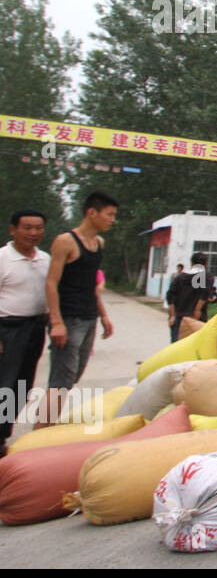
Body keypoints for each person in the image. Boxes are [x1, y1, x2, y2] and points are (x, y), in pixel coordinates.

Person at [44, 191, 117, 422]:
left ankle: (46, 423)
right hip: (68, 319)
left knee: (72, 376)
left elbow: (92, 286)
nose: (112, 220)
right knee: (61, 381)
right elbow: (51, 283)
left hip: (88, 319)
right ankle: (41, 431)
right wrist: (56, 322)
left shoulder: (99, 243)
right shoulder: (65, 241)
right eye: (109, 214)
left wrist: (103, 315)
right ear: (91, 212)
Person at [0, 210, 50, 455]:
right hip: (8, 329)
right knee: (4, 385)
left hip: (36, 329)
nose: (33, 233)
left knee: (23, 386)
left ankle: (3, 434)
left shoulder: (45, 259)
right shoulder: (2, 258)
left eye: (38, 228)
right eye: (27, 227)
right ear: (13, 230)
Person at [166, 252, 217, 342]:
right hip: (197, 320)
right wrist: (197, 310)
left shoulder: (179, 278)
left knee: (177, 348)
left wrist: (172, 315)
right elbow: (204, 294)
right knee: (195, 350)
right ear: (206, 264)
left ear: (191, 263)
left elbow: (170, 296)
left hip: (179, 319)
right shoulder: (207, 277)